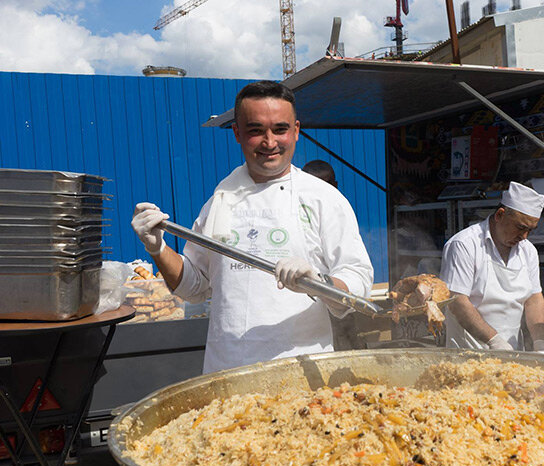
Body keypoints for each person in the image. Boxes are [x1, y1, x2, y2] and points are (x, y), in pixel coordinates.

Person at [131, 81, 373, 374]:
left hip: (300, 373)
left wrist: (319, 282)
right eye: (256, 130)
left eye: (280, 129)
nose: (270, 142)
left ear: (296, 130)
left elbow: (357, 281)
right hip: (226, 372)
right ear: (237, 133)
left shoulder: (323, 198)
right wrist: (157, 247)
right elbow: (193, 287)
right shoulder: (220, 201)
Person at [440, 181, 544, 351]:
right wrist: (494, 340)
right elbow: (457, 301)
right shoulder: (464, 244)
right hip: (468, 354)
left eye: (531, 230)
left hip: (512, 352)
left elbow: (534, 299)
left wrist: (540, 341)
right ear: (500, 215)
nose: (525, 236)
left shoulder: (528, 250)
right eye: (520, 227)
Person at [301, 159, 362, 351]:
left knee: (348, 353)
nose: (319, 193)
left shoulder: (340, 209)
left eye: (326, 185)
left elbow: (353, 266)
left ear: (335, 185)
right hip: (308, 309)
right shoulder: (298, 213)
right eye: (313, 186)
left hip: (338, 302)